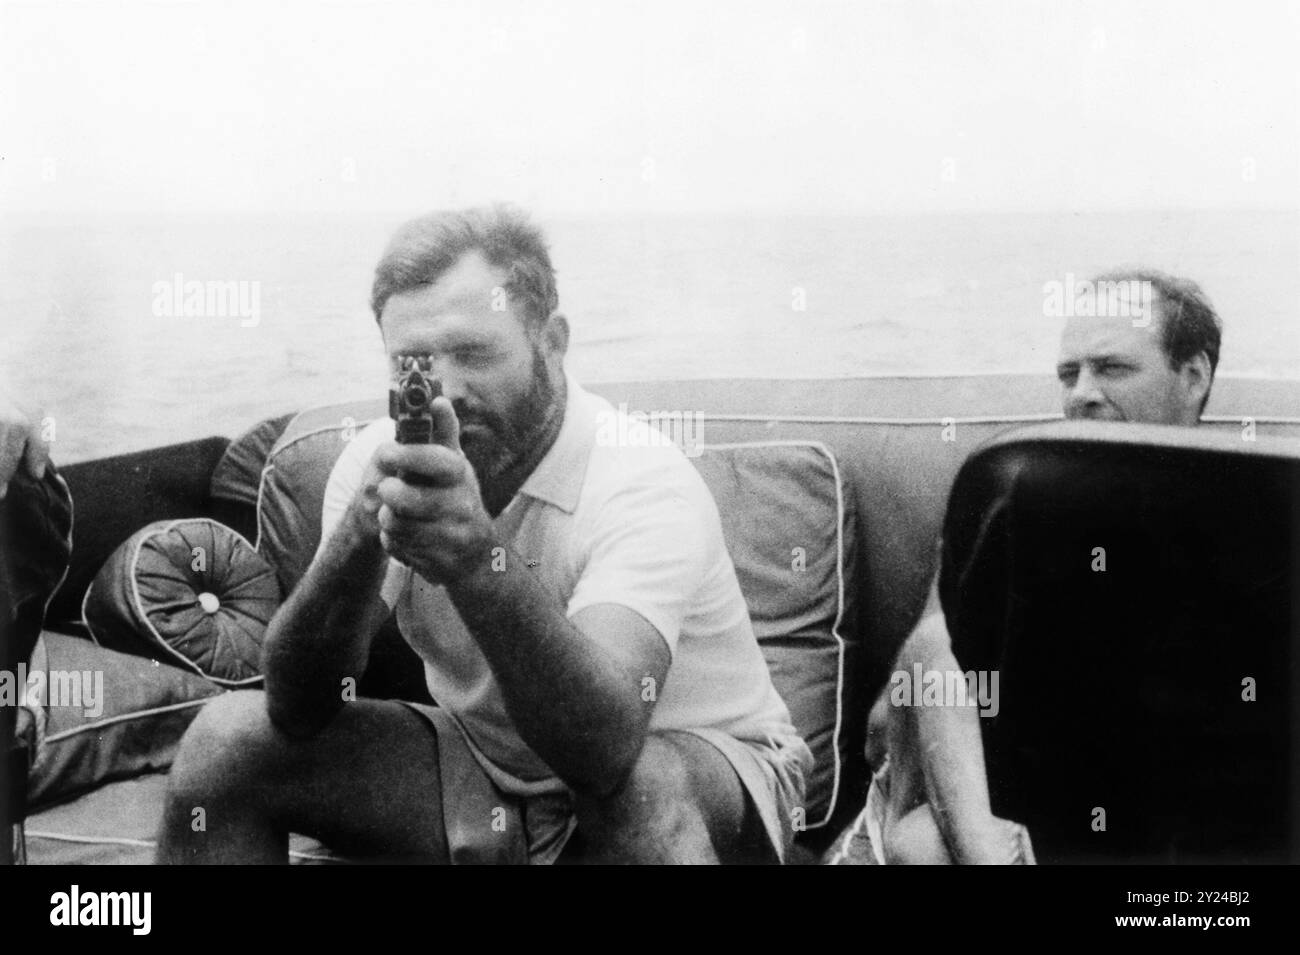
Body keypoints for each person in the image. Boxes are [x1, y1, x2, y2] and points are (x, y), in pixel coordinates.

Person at [155, 204, 812, 865]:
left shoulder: (640, 479)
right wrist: (361, 533)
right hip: (497, 772)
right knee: (227, 742)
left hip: (699, 774)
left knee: (635, 795)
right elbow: (298, 707)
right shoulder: (374, 464)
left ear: (552, 340)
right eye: (413, 362)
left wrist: (477, 561)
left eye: (474, 353)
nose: (445, 388)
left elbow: (605, 748)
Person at [872, 269, 1223, 864]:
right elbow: (895, 714)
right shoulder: (1011, 497)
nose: (1081, 392)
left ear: (1192, 377)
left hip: (1158, 797)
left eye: (1112, 368)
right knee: (936, 657)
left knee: (926, 846)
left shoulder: (1251, 509)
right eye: (1069, 373)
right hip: (1012, 788)